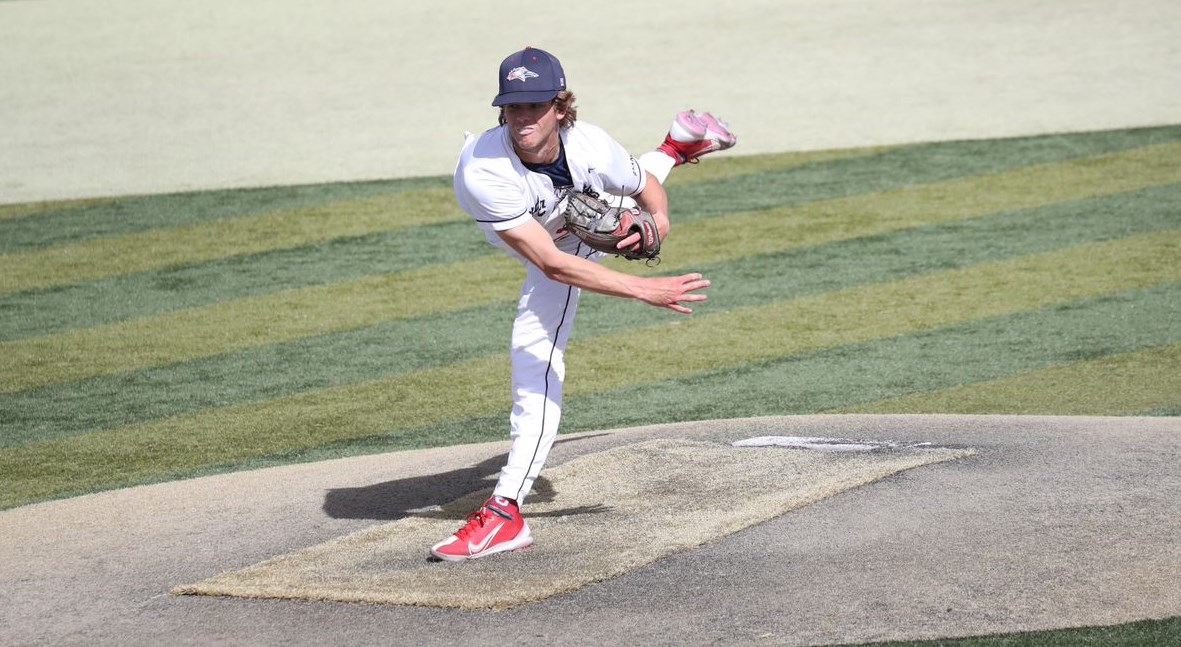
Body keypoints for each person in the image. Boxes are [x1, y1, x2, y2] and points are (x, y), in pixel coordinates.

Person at [431, 46, 737, 562]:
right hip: (543, 241)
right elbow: (551, 263)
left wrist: (657, 225)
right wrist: (646, 288)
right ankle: (680, 142)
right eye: (512, 107)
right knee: (590, 224)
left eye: (535, 106)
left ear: (560, 107)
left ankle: (505, 510)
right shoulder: (483, 171)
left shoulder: (590, 142)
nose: (522, 118)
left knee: (535, 355)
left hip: (569, 225)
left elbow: (644, 187)